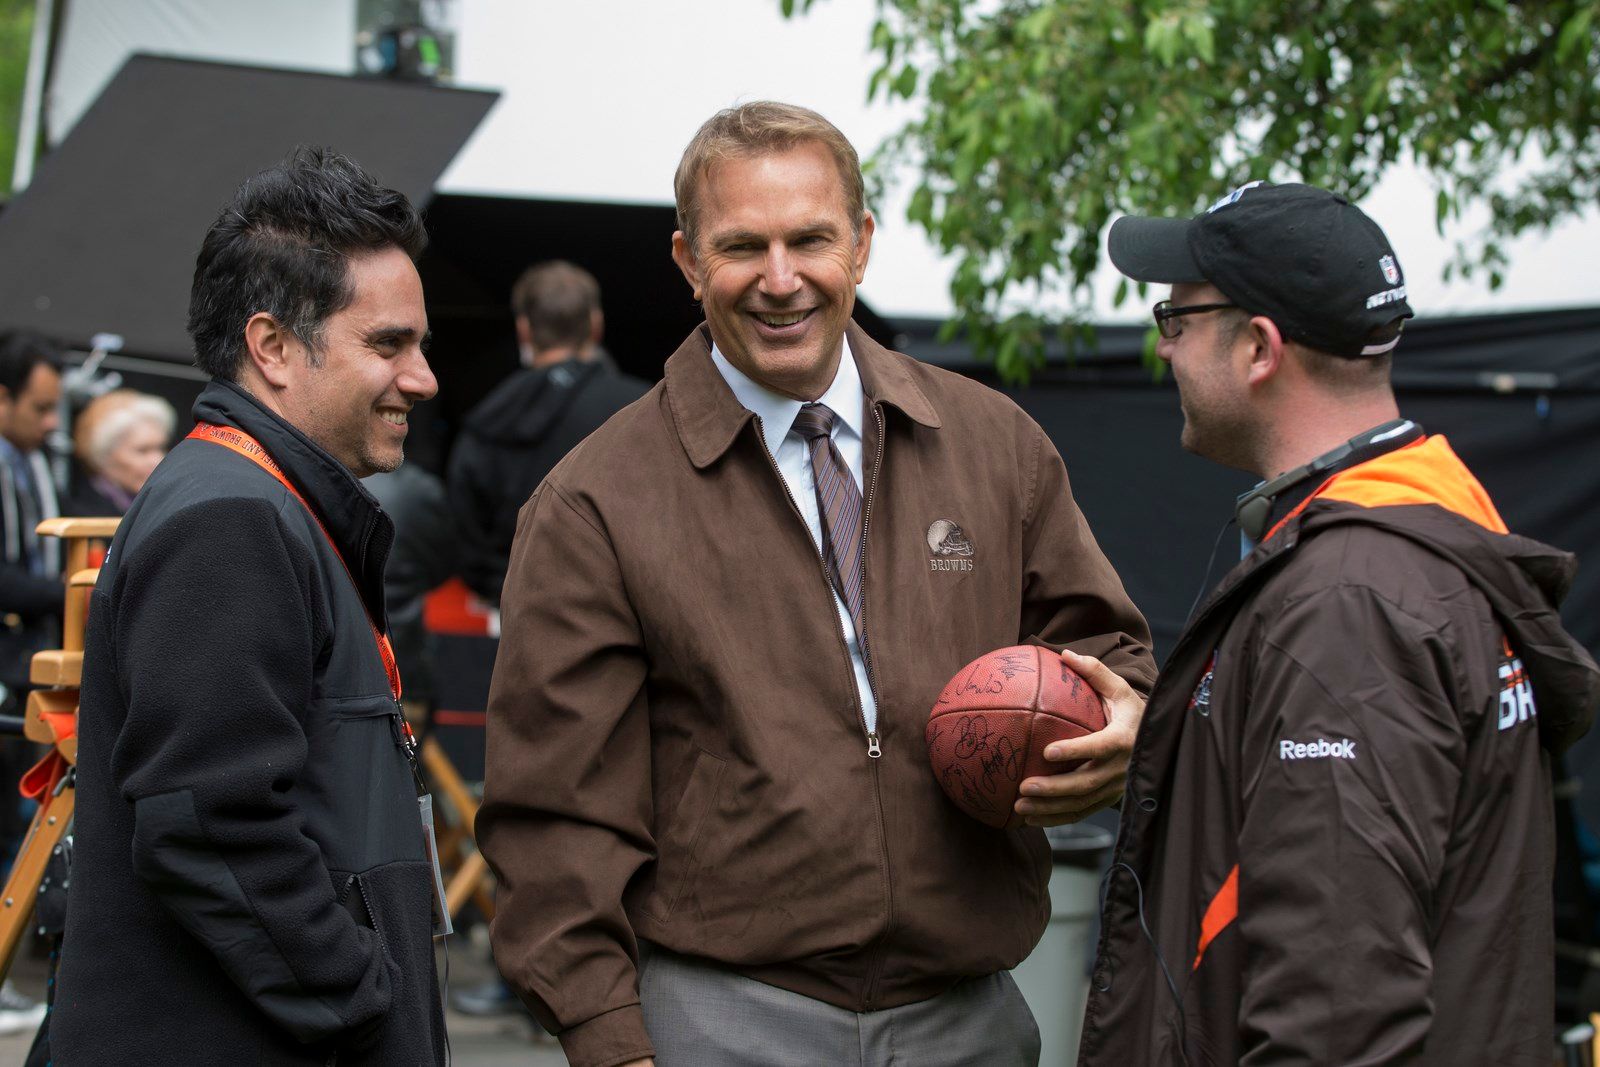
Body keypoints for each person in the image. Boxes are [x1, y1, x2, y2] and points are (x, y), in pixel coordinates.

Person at [477, 101, 1157, 1067]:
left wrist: (1122, 720)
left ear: (864, 243)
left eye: (811, 239)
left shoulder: (993, 443)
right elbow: (552, 814)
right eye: (742, 246)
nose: (781, 279)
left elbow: (1110, 653)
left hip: (967, 1015)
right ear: (686, 262)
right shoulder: (597, 499)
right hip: (722, 1016)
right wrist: (606, 1035)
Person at [1077, 181, 1600, 1064]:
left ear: (1257, 346)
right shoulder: (1427, 537)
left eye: (1175, 318)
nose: (1163, 347)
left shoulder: (1347, 603)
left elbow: (1336, 1013)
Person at [51, 146, 446, 1064]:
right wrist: (359, 999)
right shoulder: (230, 513)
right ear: (271, 347)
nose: (422, 377)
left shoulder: (267, 500)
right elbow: (208, 822)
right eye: (388, 344)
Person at [448, 259, 648, 607]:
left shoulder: (488, 417)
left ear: (524, 329)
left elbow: (466, 537)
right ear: (595, 324)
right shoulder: (644, 408)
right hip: (618, 614)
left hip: (511, 610)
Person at [66, 388, 177, 516]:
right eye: (142, 451)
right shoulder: (84, 520)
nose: (158, 459)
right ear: (104, 456)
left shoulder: (165, 506)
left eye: (161, 448)